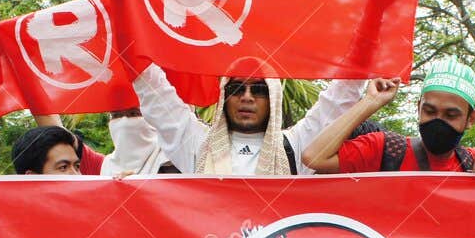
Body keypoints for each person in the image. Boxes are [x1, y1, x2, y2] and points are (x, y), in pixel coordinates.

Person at [134, 63, 365, 176]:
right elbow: (153, 91)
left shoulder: (295, 146)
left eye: (259, 90)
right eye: (236, 89)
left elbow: (340, 97)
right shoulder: (196, 143)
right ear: (225, 95)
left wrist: (377, 13)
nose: (247, 97)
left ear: (273, 98)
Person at [302, 58, 475, 174]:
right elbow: (314, 157)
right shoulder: (384, 150)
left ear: (471, 119)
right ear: (418, 108)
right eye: (430, 111)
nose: (438, 121)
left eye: (451, 115)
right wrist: (370, 102)